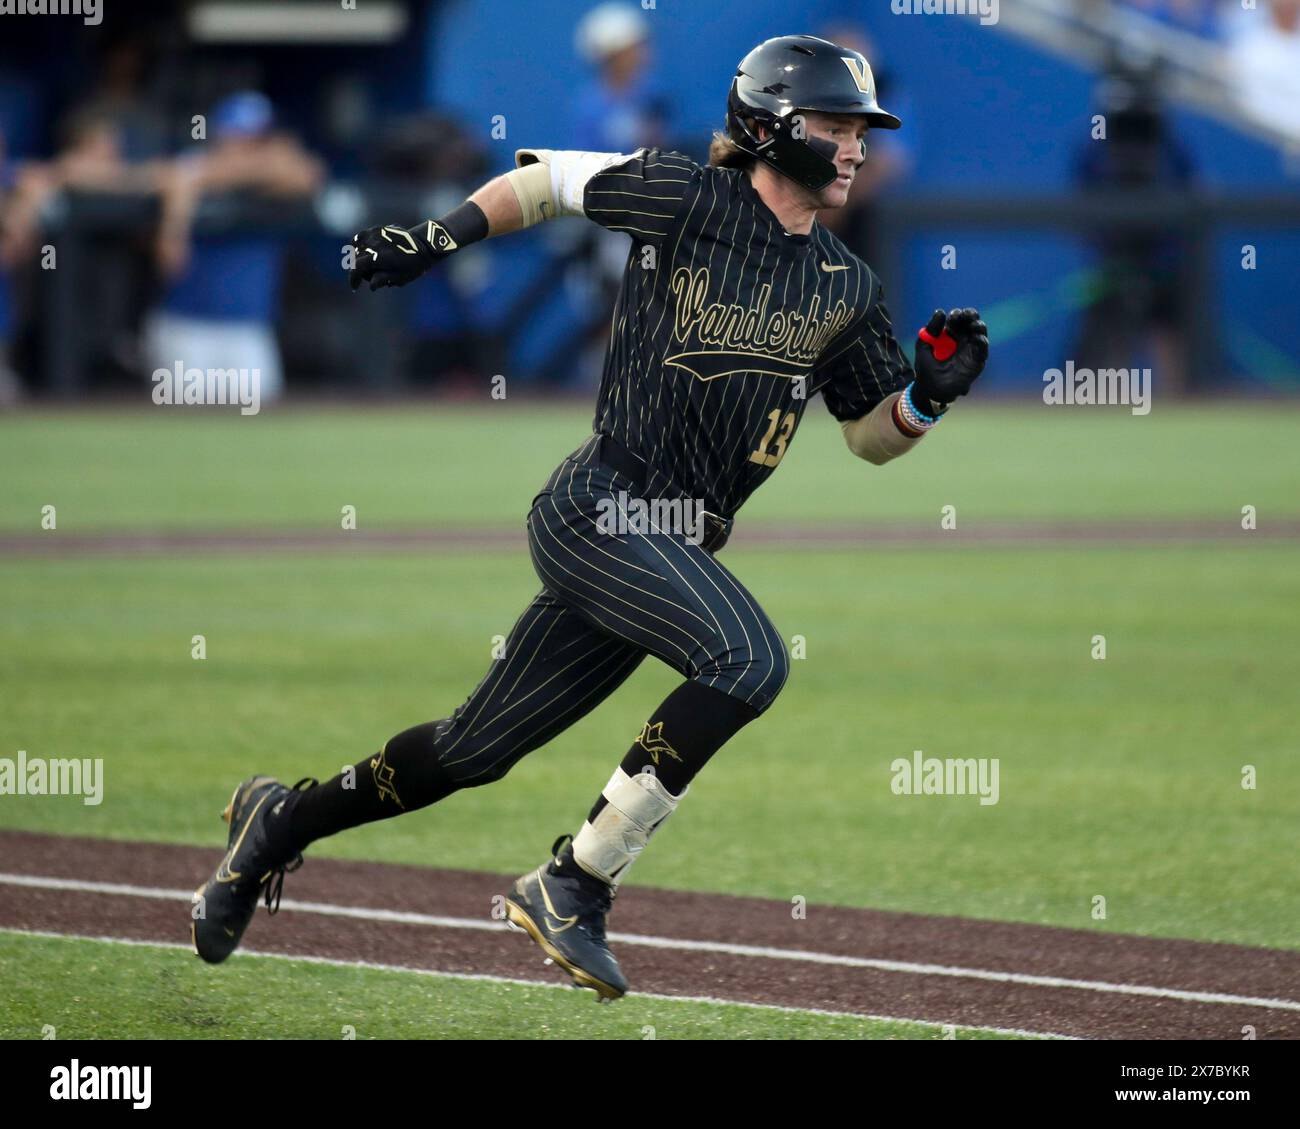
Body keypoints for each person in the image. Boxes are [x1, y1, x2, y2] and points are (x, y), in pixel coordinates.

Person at [189, 35, 989, 1000]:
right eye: (836, 127)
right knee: (751, 658)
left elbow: (868, 434)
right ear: (773, 127)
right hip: (602, 505)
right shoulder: (687, 195)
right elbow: (550, 183)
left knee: (467, 751)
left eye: (861, 130)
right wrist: (434, 239)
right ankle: (576, 878)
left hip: (671, 545)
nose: (857, 147)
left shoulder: (846, 285)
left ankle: (278, 821)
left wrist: (928, 400)